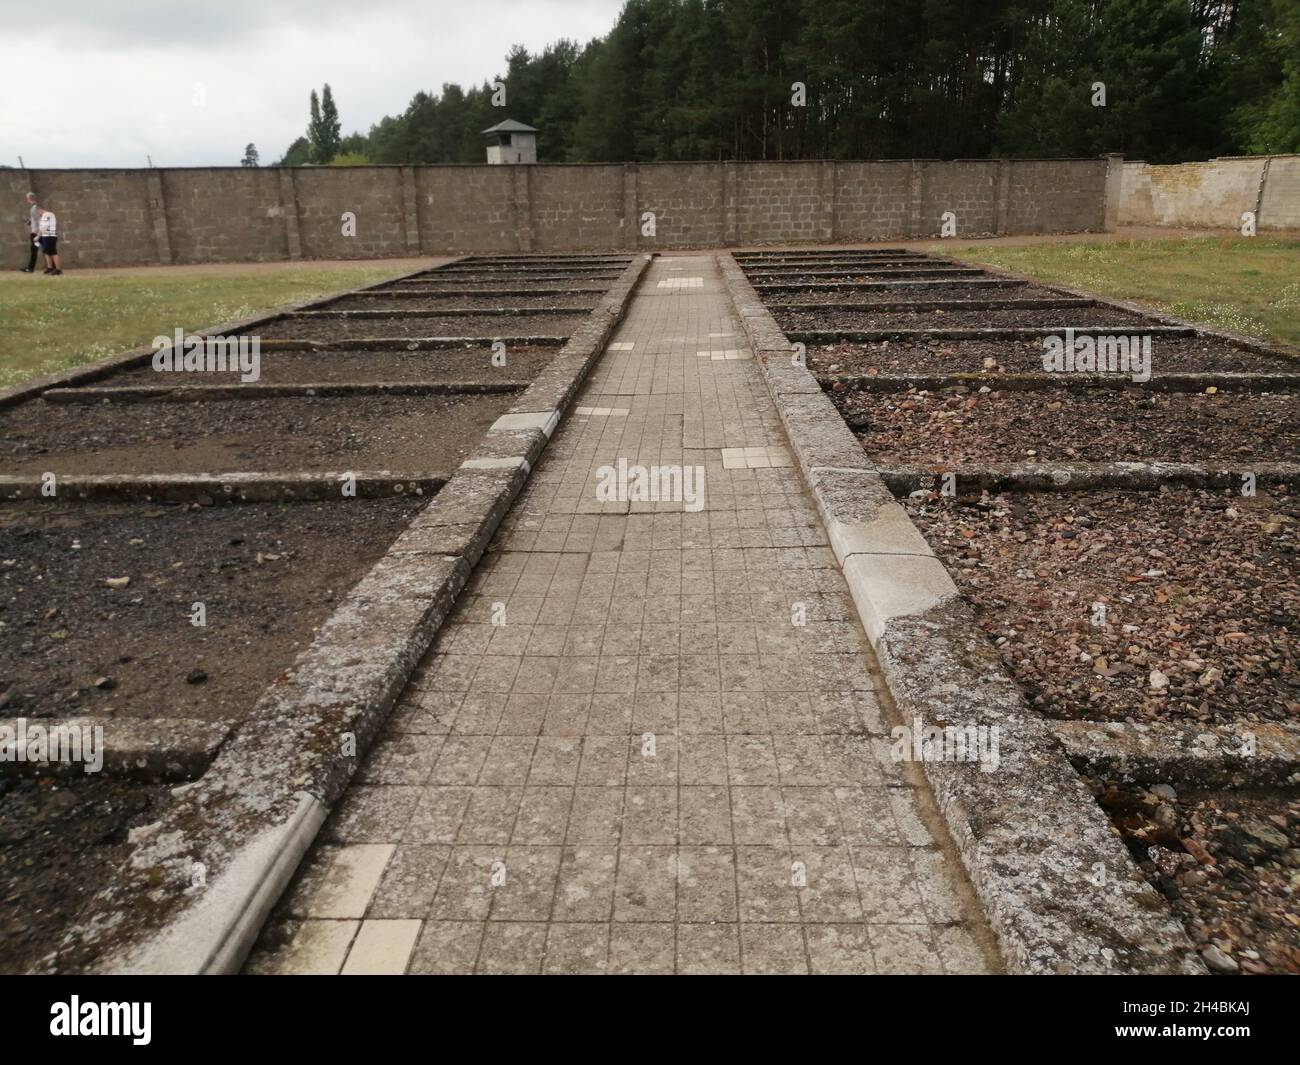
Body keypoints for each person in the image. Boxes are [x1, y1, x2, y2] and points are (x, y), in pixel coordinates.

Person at [38, 203, 62, 275]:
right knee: (47, 252)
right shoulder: (44, 216)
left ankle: (58, 269)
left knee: (53, 252)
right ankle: (50, 267)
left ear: (40, 209)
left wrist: (38, 236)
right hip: (46, 236)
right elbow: (42, 226)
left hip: (50, 236)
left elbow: (44, 226)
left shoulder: (47, 215)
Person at [20, 192, 39, 272]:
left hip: (35, 232)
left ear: (29, 199)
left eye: (27, 198)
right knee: (37, 250)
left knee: (35, 250)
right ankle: (30, 267)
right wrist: (28, 222)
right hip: (36, 231)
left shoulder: (34, 208)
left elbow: (38, 220)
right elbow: (34, 221)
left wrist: (38, 232)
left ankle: (30, 268)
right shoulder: (35, 207)